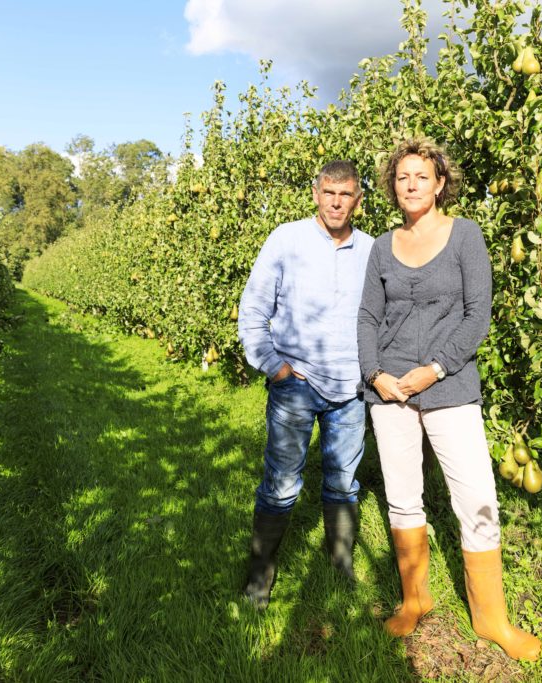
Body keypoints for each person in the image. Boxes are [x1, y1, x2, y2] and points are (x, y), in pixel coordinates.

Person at [357, 138, 541, 661]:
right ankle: (415, 598)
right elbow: (368, 318)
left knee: (476, 496)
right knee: (402, 495)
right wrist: (375, 375)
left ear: (440, 183)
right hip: (390, 392)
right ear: (392, 187)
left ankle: (491, 618)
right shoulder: (381, 246)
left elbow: (476, 315)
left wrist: (434, 369)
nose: (411, 184)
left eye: (421, 176)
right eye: (401, 177)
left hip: (449, 386)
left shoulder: (465, 236)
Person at [238, 160, 374, 608]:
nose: (337, 202)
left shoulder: (371, 250)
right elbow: (254, 310)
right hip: (295, 383)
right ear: (316, 193)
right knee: (281, 482)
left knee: (343, 481)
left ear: (358, 198)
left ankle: (340, 562)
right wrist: (274, 366)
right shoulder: (287, 239)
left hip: (350, 389)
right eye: (329, 192)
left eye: (346, 194)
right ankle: (261, 572)